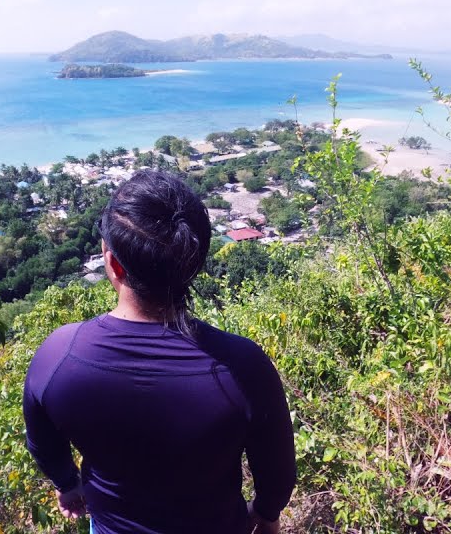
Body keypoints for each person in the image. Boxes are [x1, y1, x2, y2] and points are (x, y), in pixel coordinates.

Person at [23, 169, 297, 533]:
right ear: (194, 262)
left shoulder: (58, 357)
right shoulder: (243, 366)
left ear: (114, 263)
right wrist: (266, 515)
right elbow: (277, 469)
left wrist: (68, 484)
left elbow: (42, 443)